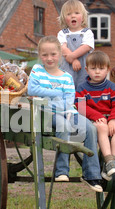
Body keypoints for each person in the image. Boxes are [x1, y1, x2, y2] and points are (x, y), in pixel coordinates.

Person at [28, 36, 103, 192]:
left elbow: (69, 101)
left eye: (53, 54)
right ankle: (62, 170)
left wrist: (48, 97)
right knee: (63, 125)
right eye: (45, 55)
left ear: (60, 55)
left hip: (67, 111)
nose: (49, 58)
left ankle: (92, 175)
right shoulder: (37, 71)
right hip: (46, 113)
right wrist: (56, 92)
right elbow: (32, 90)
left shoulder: (66, 77)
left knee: (90, 128)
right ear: (40, 55)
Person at [75, 51, 115, 181]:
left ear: (107, 69)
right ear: (87, 69)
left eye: (101, 68)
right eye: (93, 68)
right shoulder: (82, 88)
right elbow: (81, 107)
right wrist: (97, 116)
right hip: (92, 120)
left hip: (111, 119)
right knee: (102, 127)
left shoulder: (111, 87)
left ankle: (110, 163)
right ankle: (109, 161)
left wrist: (113, 120)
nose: (97, 72)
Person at [57, 0, 95, 88]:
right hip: (66, 68)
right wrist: (73, 60)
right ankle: (67, 102)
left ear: (83, 17)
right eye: (69, 14)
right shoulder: (62, 33)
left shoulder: (87, 32)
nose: (73, 16)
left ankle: (81, 103)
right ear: (64, 18)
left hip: (84, 68)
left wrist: (72, 56)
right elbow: (63, 48)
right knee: (66, 88)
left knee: (83, 90)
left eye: (77, 13)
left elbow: (86, 47)